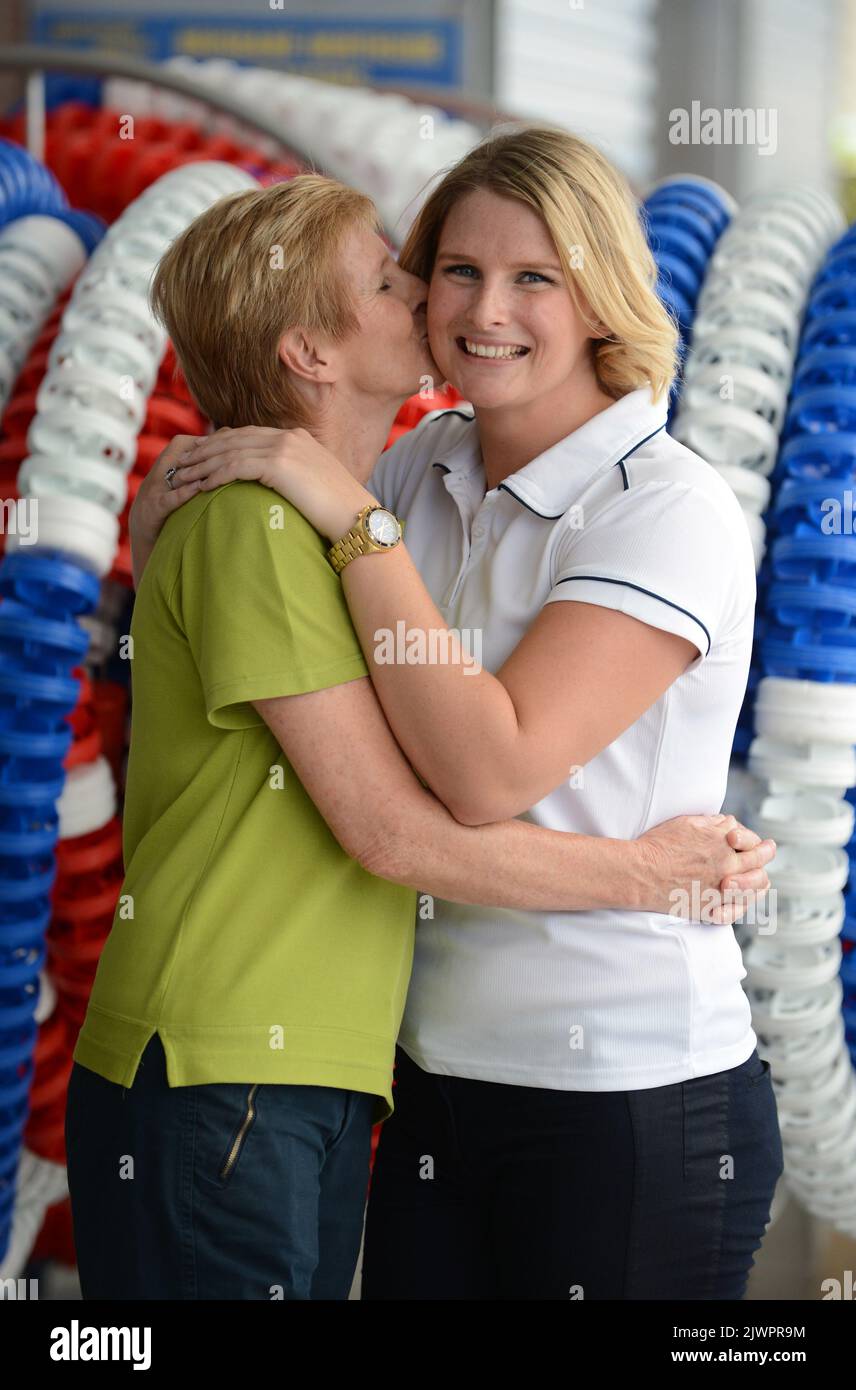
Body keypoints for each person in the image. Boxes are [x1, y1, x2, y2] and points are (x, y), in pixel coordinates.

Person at [138, 126, 784, 1301]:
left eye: (535, 276)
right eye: (456, 270)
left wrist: (347, 514)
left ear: (599, 296)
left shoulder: (662, 509)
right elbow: (236, 530)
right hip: (430, 1078)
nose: (487, 308)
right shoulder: (415, 468)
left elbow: (490, 769)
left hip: (626, 1101)